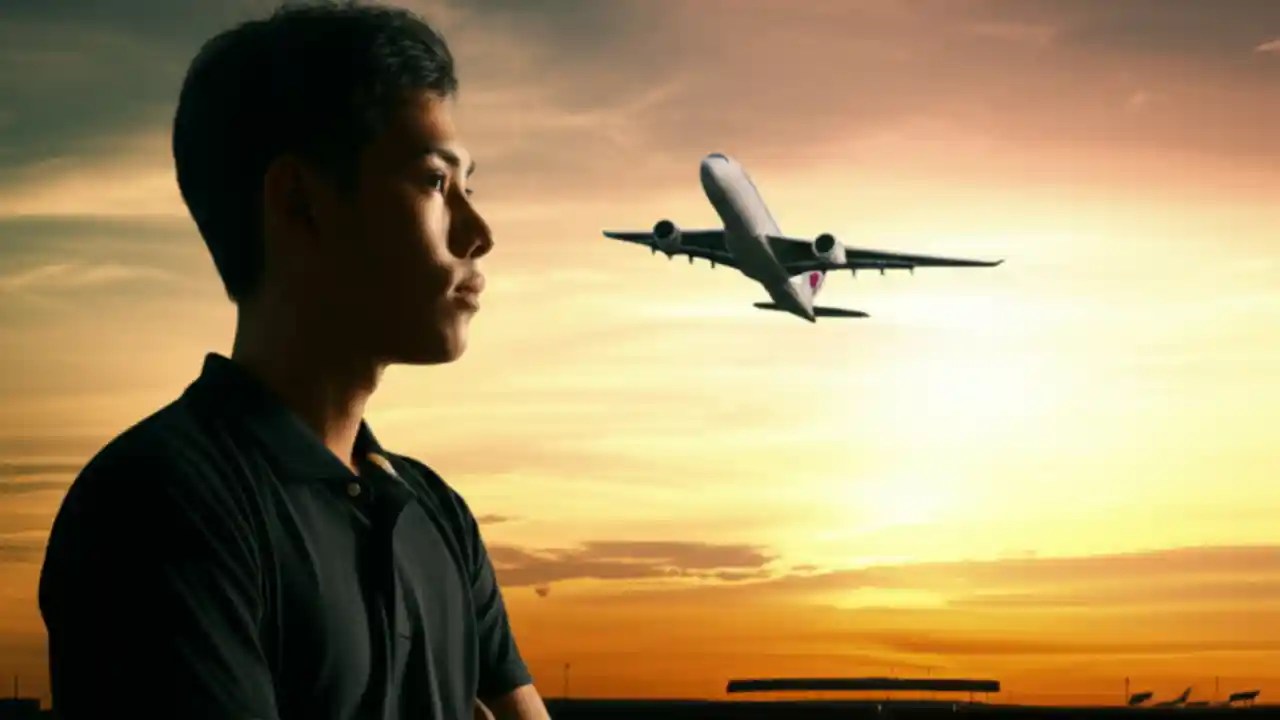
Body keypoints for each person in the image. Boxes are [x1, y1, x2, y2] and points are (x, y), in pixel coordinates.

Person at [37, 2, 549, 718]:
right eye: (436, 183)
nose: (478, 231)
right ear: (300, 201)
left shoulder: (438, 517)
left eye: (471, 187)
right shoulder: (159, 506)